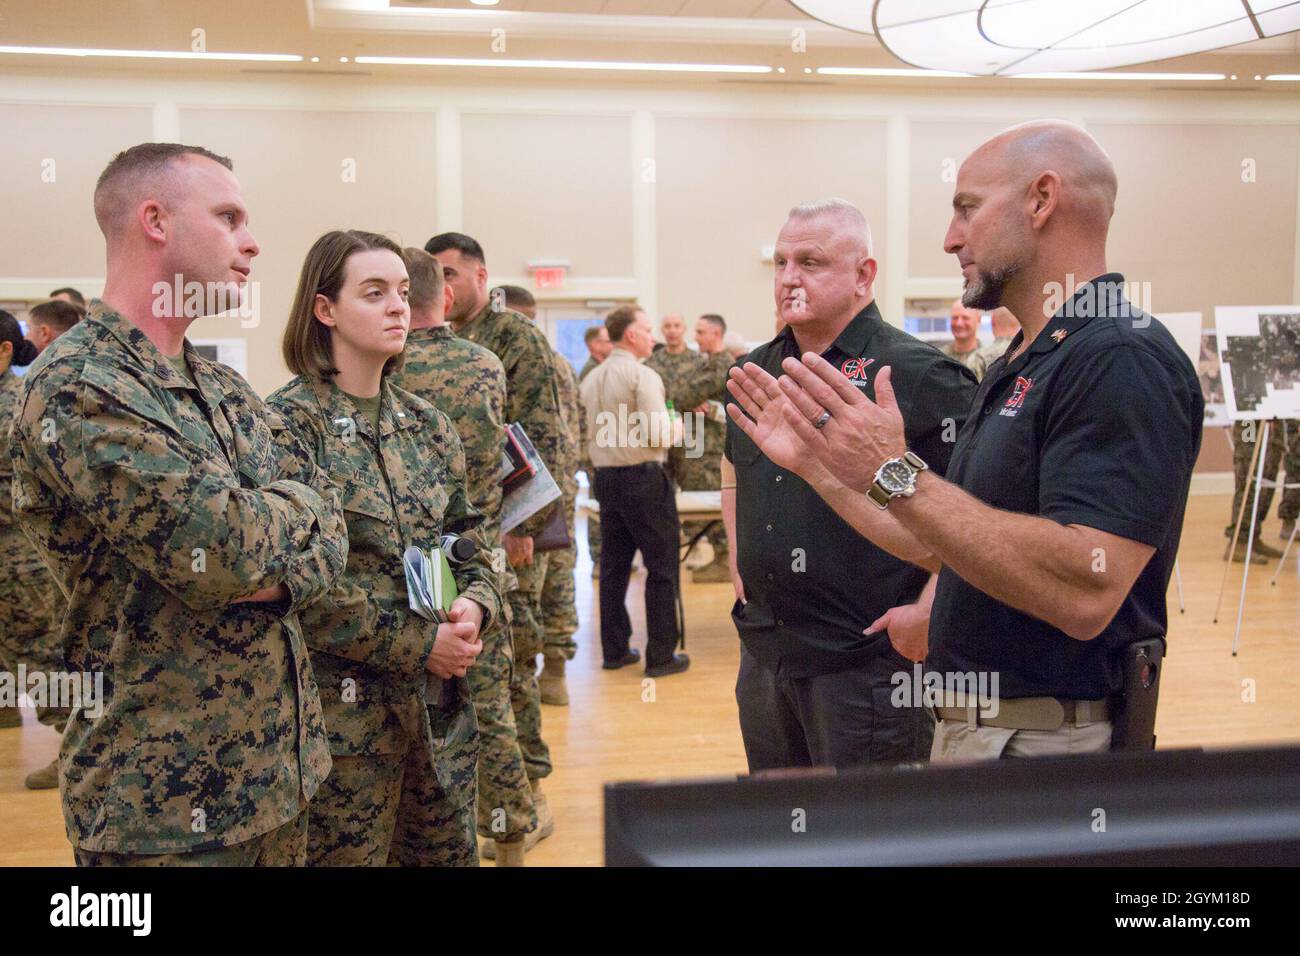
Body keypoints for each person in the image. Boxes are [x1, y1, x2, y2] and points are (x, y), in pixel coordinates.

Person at [729, 121, 1202, 763]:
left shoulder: (1119, 355)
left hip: (1044, 737)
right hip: (981, 724)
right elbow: (942, 543)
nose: (951, 238)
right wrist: (822, 467)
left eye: (967, 209)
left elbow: (1089, 587)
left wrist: (896, 471)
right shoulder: (1024, 359)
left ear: (1041, 199)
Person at [11, 143, 347, 864]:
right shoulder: (79, 385)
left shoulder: (222, 387)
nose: (253, 241)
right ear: (154, 220)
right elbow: (225, 554)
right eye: (229, 217)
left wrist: (281, 528)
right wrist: (292, 516)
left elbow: (332, 528)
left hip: (282, 780)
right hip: (160, 809)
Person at [268, 231, 500, 867]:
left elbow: (466, 540)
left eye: (402, 291)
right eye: (374, 293)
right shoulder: (285, 427)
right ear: (325, 310)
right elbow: (294, 584)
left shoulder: (427, 425)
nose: (399, 306)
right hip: (343, 727)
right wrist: (419, 644)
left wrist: (476, 604)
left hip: (439, 717)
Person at [721, 199, 976, 772]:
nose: (789, 278)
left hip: (866, 660)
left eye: (810, 262)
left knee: (868, 838)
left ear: (864, 275)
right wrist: (739, 561)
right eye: (781, 262)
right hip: (766, 653)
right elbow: (733, 467)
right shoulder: (755, 370)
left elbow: (971, 515)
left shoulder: (919, 375)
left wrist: (931, 611)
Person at [425, 231, 571, 845]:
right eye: (435, 276)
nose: (444, 286)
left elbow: (542, 438)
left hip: (509, 529)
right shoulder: (441, 341)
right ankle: (506, 791)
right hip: (456, 536)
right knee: (488, 667)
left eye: (453, 274)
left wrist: (523, 527)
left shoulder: (515, 340)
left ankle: (525, 788)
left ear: (481, 277)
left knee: (514, 658)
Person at [394, 253, 535, 865]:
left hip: (408, 561)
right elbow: (512, 455)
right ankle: (511, 835)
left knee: (415, 710)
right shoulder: (485, 363)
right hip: (476, 551)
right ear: (445, 299)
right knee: (489, 701)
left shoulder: (386, 368)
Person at [580, 305, 690, 677]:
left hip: (606, 479)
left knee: (614, 566)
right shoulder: (642, 375)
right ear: (630, 335)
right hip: (644, 478)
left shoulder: (591, 379)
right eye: (646, 329)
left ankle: (615, 650)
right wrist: (678, 427)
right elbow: (659, 434)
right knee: (661, 567)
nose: (653, 336)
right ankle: (660, 656)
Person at [491, 285, 582, 707]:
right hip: (561, 487)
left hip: (530, 493)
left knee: (527, 589)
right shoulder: (561, 363)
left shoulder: (515, 360)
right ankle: (557, 671)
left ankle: (533, 677)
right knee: (559, 577)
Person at [0, 304, 78, 791]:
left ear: (5, 351)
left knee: (39, 659)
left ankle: (78, 750)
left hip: (17, 559)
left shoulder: (16, 403)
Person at [679, 313, 734, 584]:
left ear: (715, 333)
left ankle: (724, 560)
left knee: (711, 503)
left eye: (700, 332)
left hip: (711, 447)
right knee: (699, 502)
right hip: (697, 442)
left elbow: (683, 395)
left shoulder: (722, 365)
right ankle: (717, 557)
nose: (696, 337)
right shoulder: (707, 363)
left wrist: (690, 401)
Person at [1223, 419, 1287, 563]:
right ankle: (1239, 543)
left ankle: (1252, 537)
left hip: (1268, 418)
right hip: (1249, 419)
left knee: (1266, 476)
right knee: (1248, 476)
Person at [941, 299, 988, 381]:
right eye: (955, 318)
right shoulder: (940, 357)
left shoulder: (987, 359)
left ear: (978, 320)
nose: (959, 323)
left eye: (965, 318)